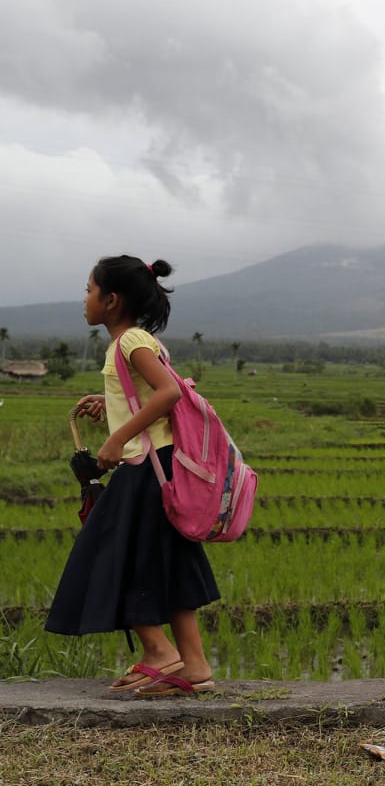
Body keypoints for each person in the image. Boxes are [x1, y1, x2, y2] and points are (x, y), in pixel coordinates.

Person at [45, 256, 219, 697]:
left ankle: (160, 652)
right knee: (165, 561)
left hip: (144, 467)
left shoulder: (130, 341)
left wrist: (115, 438)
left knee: (108, 555)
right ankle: (194, 665)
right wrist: (112, 402)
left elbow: (169, 391)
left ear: (112, 299)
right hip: (158, 463)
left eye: (88, 289)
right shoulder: (132, 342)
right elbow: (147, 393)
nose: (83, 299)